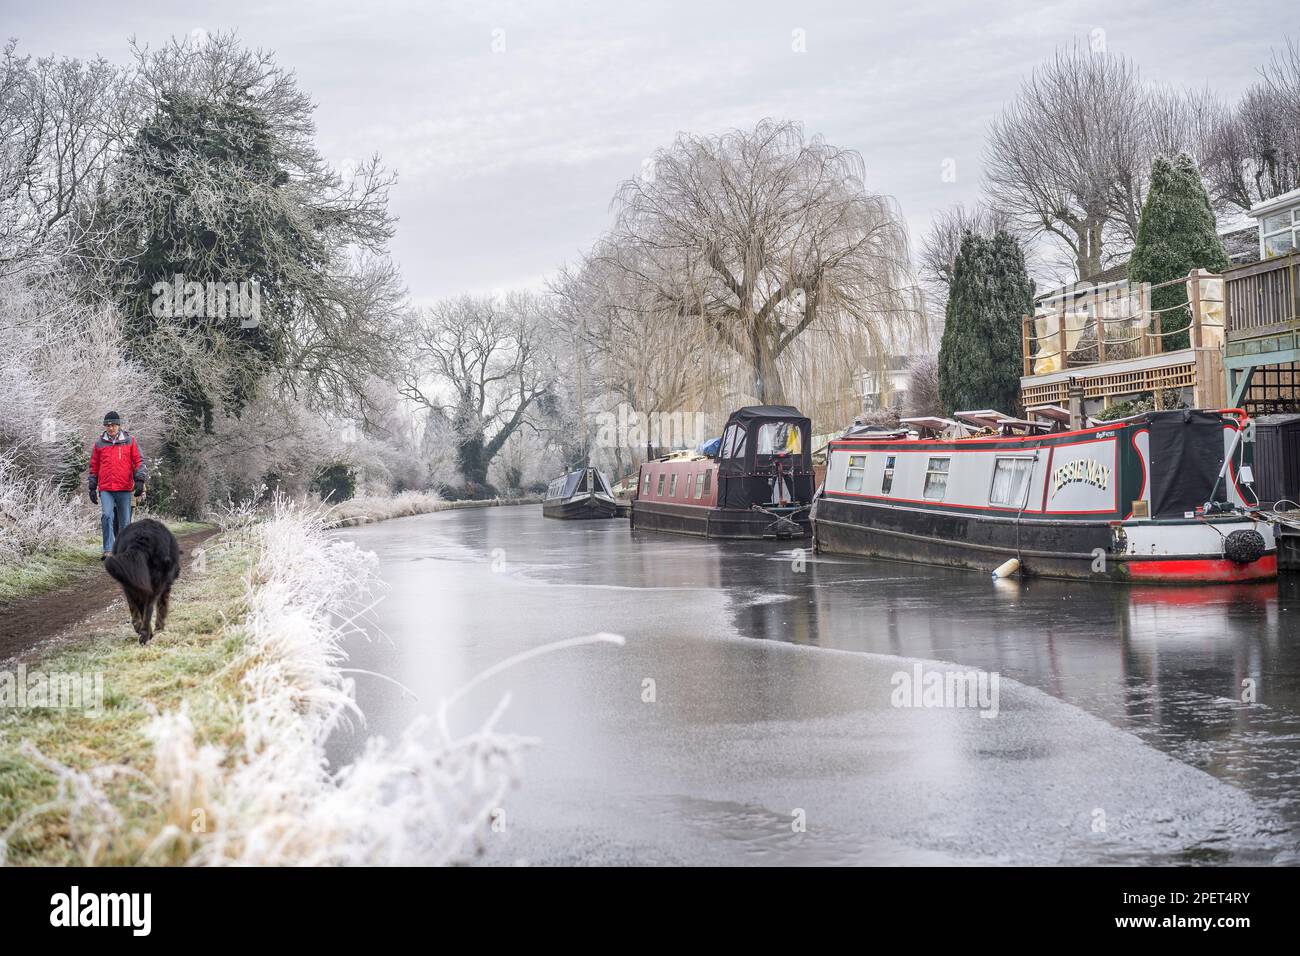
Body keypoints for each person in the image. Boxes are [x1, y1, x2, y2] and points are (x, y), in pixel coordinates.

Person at [88, 411, 147, 558]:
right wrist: (92, 486)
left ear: (118, 425)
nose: (110, 428)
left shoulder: (129, 441)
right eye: (107, 425)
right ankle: (108, 549)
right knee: (107, 516)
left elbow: (139, 462)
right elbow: (93, 466)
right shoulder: (99, 443)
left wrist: (140, 480)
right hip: (106, 488)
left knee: (125, 522)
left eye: (113, 425)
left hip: (125, 488)